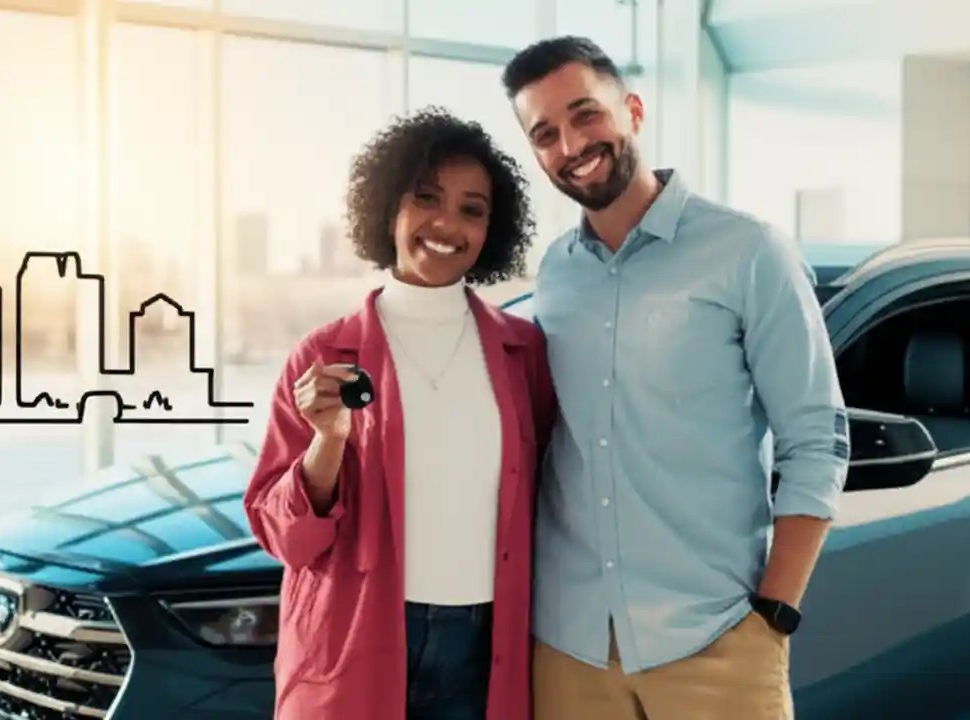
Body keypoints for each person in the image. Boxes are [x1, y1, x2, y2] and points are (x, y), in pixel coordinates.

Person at [500, 36, 850, 719]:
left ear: (632, 110)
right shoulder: (556, 271)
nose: (571, 144)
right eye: (545, 133)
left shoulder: (749, 251)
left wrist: (773, 613)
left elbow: (816, 438)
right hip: (569, 650)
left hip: (714, 643)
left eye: (585, 115)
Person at [243, 106, 556, 720]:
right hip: (356, 639)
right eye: (427, 198)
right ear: (389, 207)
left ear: (492, 230)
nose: (447, 224)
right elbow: (286, 538)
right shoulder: (323, 355)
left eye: (473, 209)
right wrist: (327, 442)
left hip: (485, 646)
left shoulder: (524, 354)